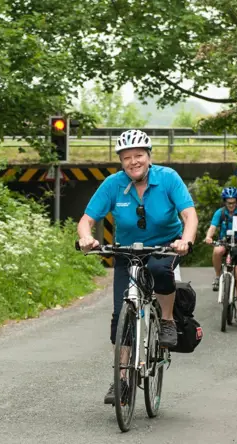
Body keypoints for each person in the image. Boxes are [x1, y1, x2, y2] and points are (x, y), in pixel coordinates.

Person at [76, 129, 198, 404]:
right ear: (121, 161)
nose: (133, 161)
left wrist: (185, 241)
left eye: (139, 155)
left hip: (165, 245)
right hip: (127, 250)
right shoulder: (112, 184)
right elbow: (87, 219)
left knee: (158, 270)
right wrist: (85, 236)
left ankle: (166, 320)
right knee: (122, 313)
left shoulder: (168, 178)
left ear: (149, 156)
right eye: (127, 157)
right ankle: (121, 379)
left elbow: (189, 215)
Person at [203, 187, 237, 324]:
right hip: (224, 241)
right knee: (217, 251)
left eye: (233, 202)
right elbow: (213, 227)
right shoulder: (220, 213)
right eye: (228, 203)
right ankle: (217, 275)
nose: (231, 205)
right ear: (224, 202)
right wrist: (209, 237)